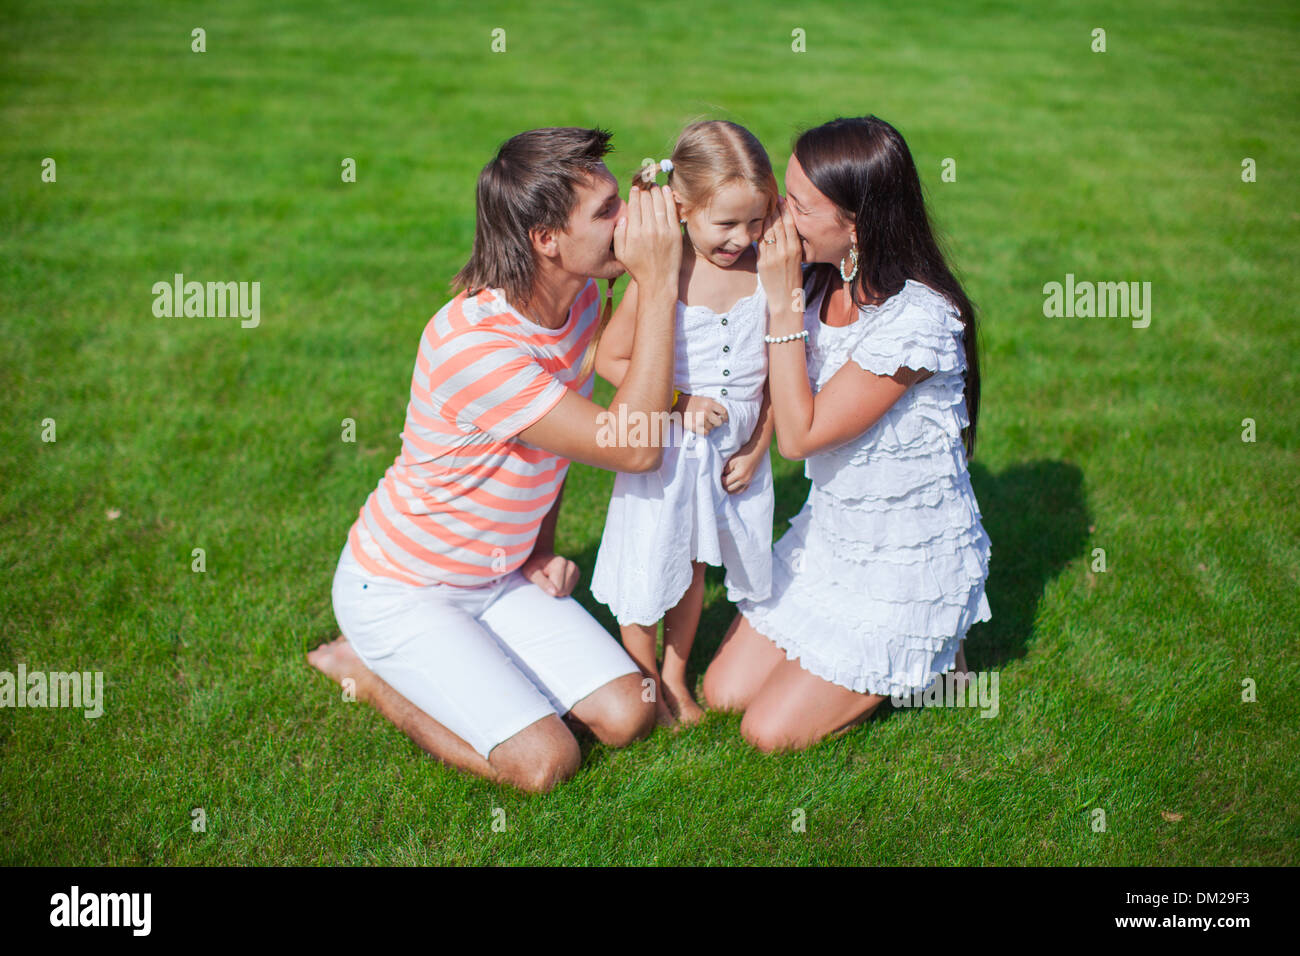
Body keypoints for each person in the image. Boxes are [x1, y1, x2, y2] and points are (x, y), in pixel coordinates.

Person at [308, 127, 685, 792]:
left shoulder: (580, 301)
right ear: (546, 240)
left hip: (500, 574)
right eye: (605, 213)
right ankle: (368, 676)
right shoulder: (476, 348)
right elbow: (633, 445)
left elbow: (552, 450)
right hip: (403, 588)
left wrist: (538, 547)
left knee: (632, 714)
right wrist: (656, 285)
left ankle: (474, 664)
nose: (625, 220)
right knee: (545, 764)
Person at [703, 115, 991, 752]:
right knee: (721, 692)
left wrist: (780, 305)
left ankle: (934, 647)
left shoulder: (918, 322)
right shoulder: (817, 278)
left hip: (902, 567)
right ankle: (899, 664)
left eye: (799, 204)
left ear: (854, 223)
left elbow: (801, 437)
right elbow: (703, 242)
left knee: (766, 733)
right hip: (832, 544)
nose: (779, 215)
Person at [590, 120, 778, 727]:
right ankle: (642, 676)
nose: (741, 238)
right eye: (726, 223)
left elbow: (779, 375)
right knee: (652, 558)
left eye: (755, 222)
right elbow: (610, 358)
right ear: (681, 206)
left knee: (694, 565)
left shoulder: (763, 273)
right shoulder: (665, 277)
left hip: (727, 456)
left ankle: (675, 674)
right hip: (667, 450)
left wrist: (757, 446)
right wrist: (678, 403)